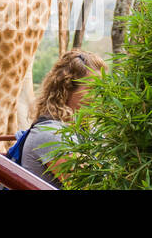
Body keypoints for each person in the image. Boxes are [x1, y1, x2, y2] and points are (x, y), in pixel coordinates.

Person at [20, 48, 106, 187]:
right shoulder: (51, 134)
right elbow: (88, 185)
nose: (99, 96)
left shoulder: (75, 130)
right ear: (67, 88)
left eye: (101, 89)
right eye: (92, 89)